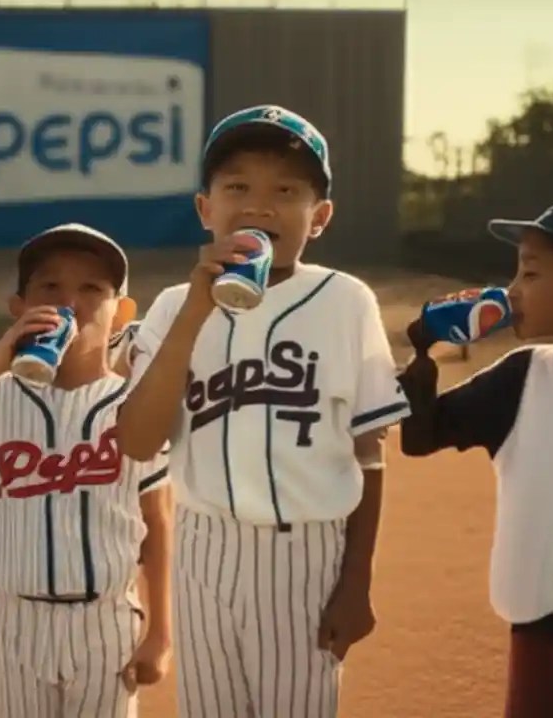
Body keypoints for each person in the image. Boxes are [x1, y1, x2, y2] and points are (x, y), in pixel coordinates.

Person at [116, 105, 409, 718]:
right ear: (206, 208)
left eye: (287, 190)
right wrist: (197, 309)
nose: (259, 205)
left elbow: (369, 449)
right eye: (237, 186)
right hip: (202, 548)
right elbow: (139, 443)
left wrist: (357, 581)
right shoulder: (173, 308)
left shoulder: (345, 302)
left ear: (319, 216)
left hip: (302, 553)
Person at [399, 193, 553, 718]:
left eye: (530, 275)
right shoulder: (519, 376)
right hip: (533, 624)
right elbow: (420, 438)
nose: (511, 292)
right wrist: (421, 355)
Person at [0, 224, 172, 717]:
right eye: (50, 287)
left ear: (122, 311)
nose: (69, 302)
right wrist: (1, 355)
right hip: (13, 621)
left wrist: (159, 633)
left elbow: (156, 524)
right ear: (19, 307)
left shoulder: (135, 408)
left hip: (107, 622)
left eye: (92, 289)